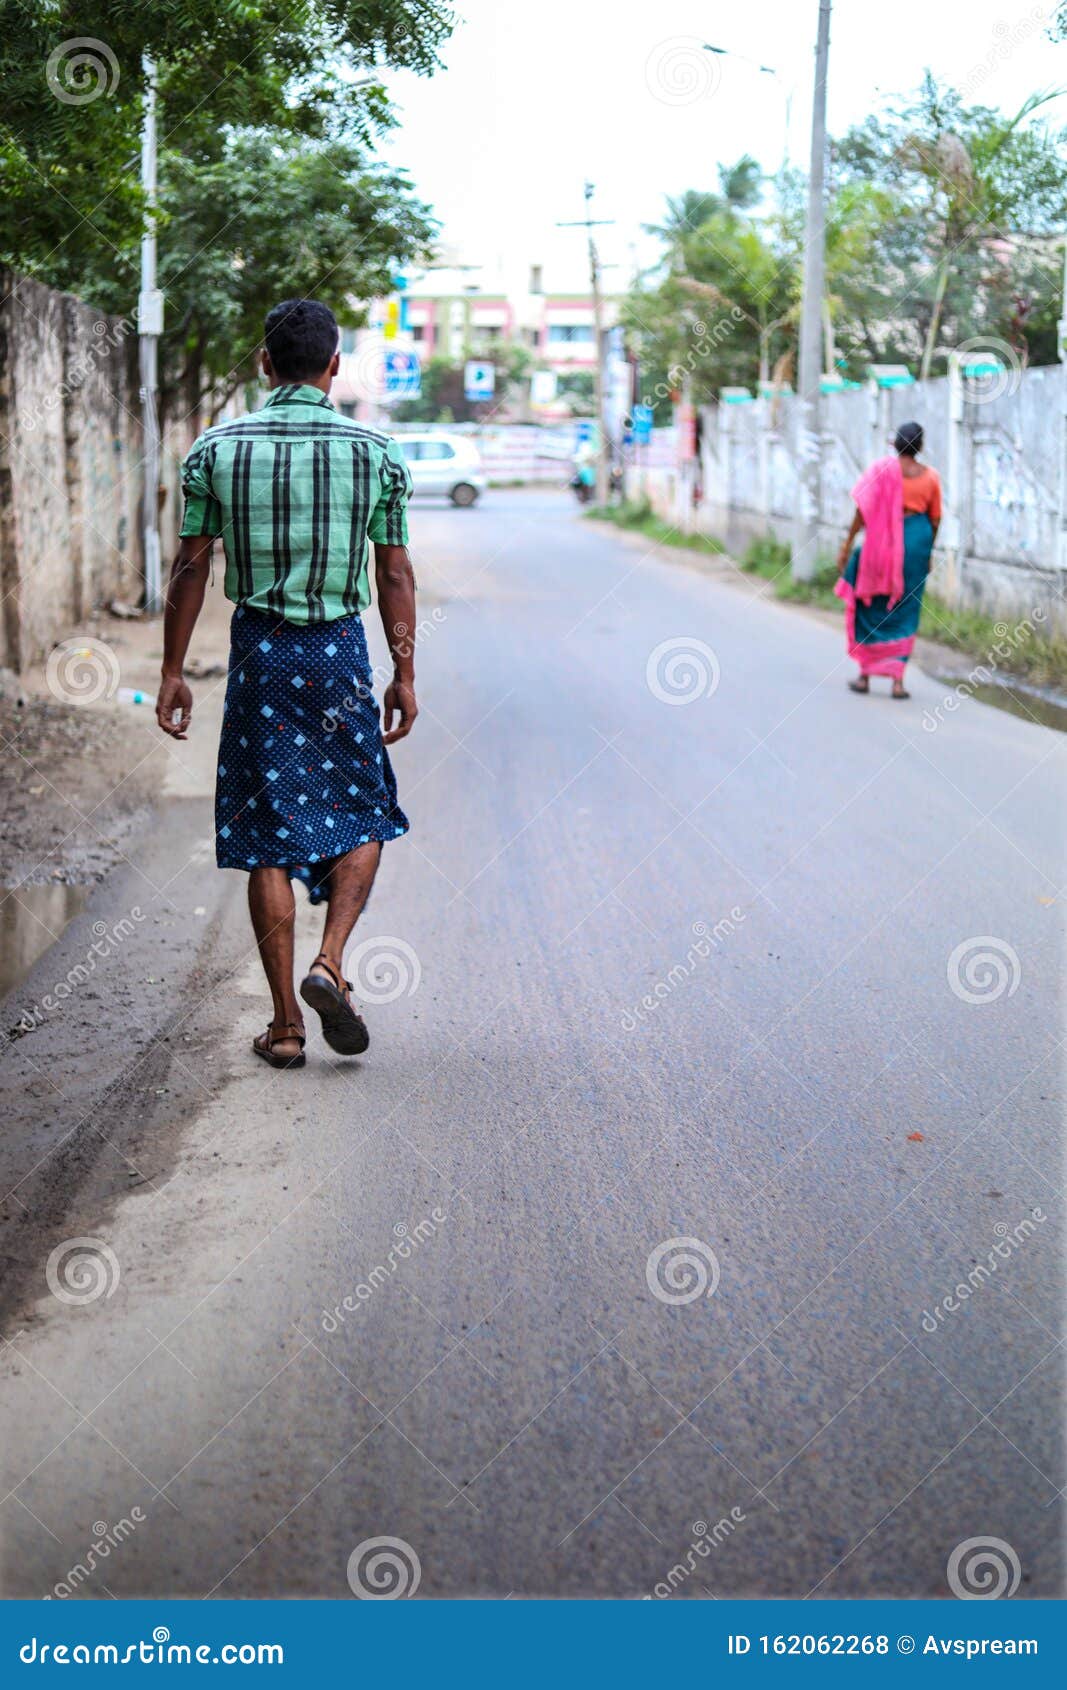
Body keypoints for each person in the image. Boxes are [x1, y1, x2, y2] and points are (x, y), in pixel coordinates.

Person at [155, 298, 418, 1069]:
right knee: (362, 809)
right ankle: (329, 961)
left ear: (263, 364)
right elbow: (394, 571)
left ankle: (285, 1027)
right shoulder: (375, 451)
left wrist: (172, 671)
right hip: (338, 653)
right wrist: (403, 671)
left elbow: (191, 568)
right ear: (333, 366)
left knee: (267, 830)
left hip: (261, 657)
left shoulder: (216, 447)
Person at [835, 421, 941, 700]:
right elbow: (935, 519)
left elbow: (862, 510)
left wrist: (847, 545)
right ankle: (897, 682)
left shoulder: (880, 470)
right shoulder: (931, 478)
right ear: (920, 447)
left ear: (895, 444)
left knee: (870, 604)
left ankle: (865, 676)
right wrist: (928, 552)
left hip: (880, 545)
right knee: (906, 610)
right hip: (916, 544)